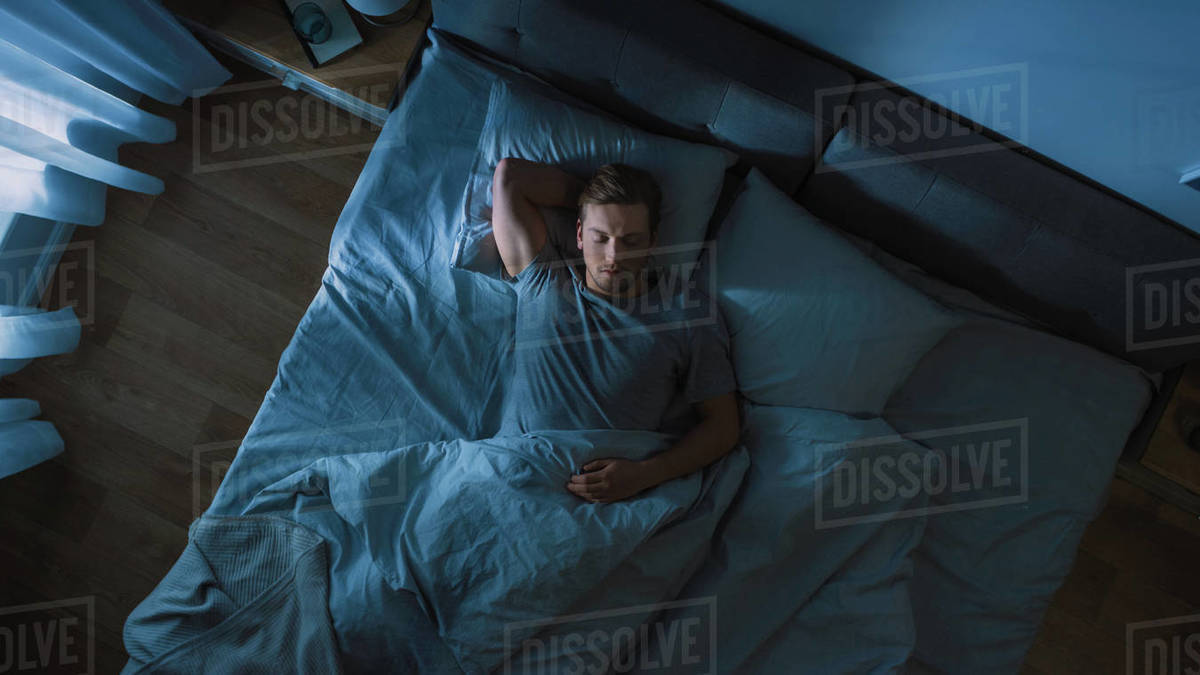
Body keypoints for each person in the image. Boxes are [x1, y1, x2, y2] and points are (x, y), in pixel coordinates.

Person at [491, 157, 740, 504]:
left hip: (609, 499)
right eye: (601, 237)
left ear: (654, 240)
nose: (613, 256)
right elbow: (509, 177)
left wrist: (646, 474)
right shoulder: (544, 279)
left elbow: (724, 427)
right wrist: (591, 204)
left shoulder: (687, 312)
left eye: (631, 240)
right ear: (579, 234)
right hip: (510, 472)